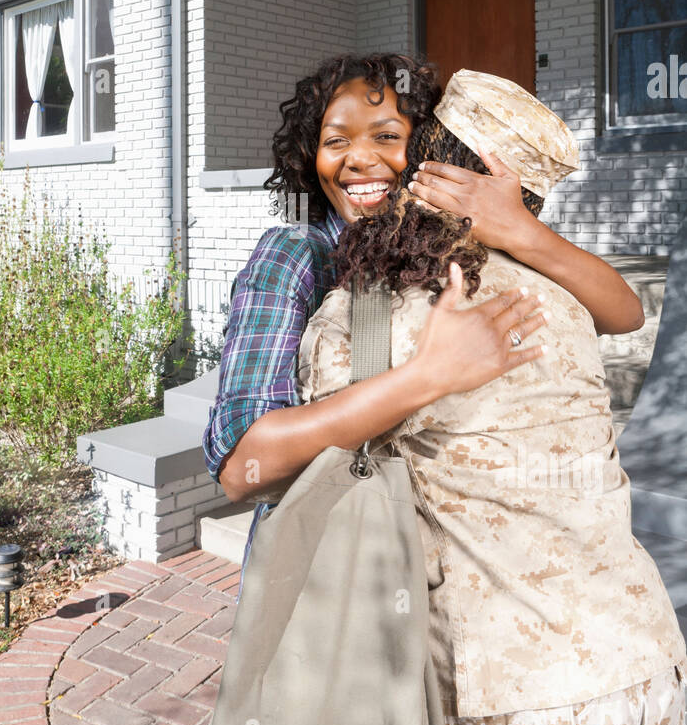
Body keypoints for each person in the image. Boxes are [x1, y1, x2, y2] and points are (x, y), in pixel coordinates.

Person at [298, 68, 687, 725]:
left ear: (427, 169)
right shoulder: (567, 299)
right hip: (649, 665)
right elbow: (626, 308)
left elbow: (290, 473)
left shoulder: (365, 323)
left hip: (521, 708)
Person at [203, 52, 645, 596]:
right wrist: (428, 377)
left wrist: (520, 229)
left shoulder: (444, 254)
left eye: (387, 137)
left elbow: (625, 313)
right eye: (335, 141)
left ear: (428, 153)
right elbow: (243, 467)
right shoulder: (295, 254)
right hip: (332, 589)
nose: (358, 160)